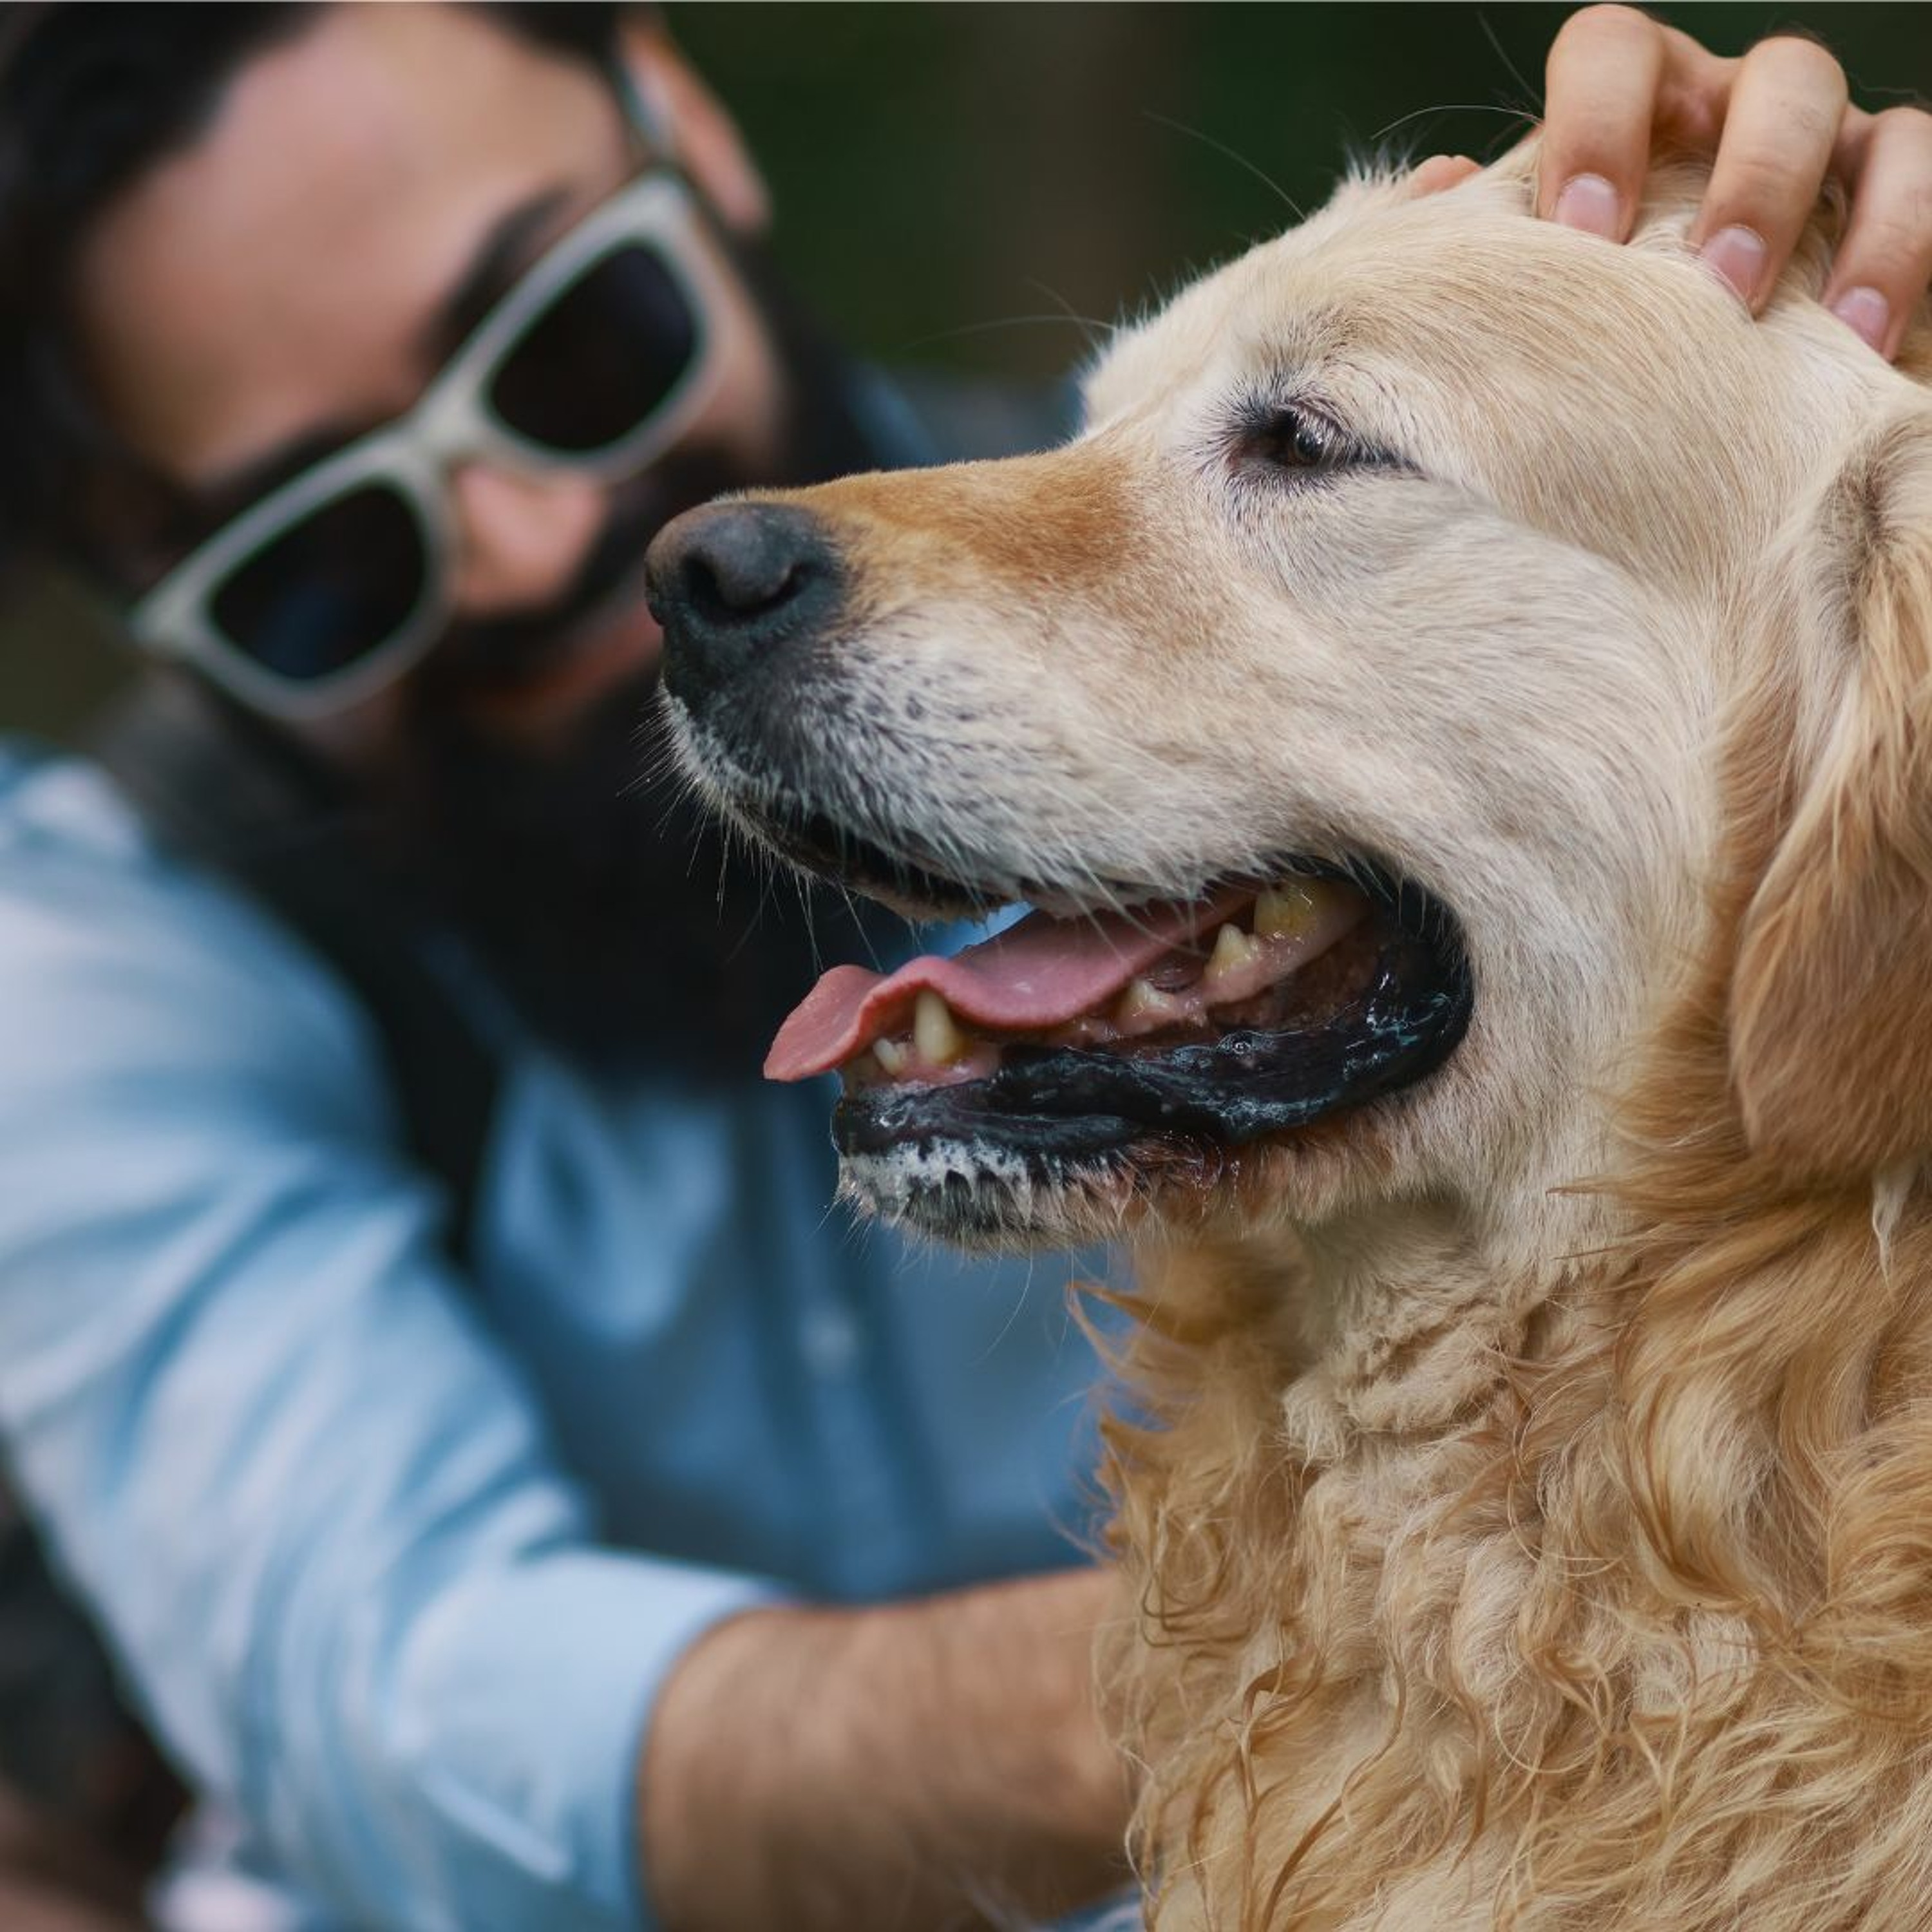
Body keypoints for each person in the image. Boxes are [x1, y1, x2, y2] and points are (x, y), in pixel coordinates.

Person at [0, 6, 1924, 1930]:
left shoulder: (1100, 527)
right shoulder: (103, 967)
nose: (536, 546)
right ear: (136, 560)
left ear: (688, 127)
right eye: (325, 560)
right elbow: (409, 1718)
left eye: (578, 343)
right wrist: (1481, 1642)